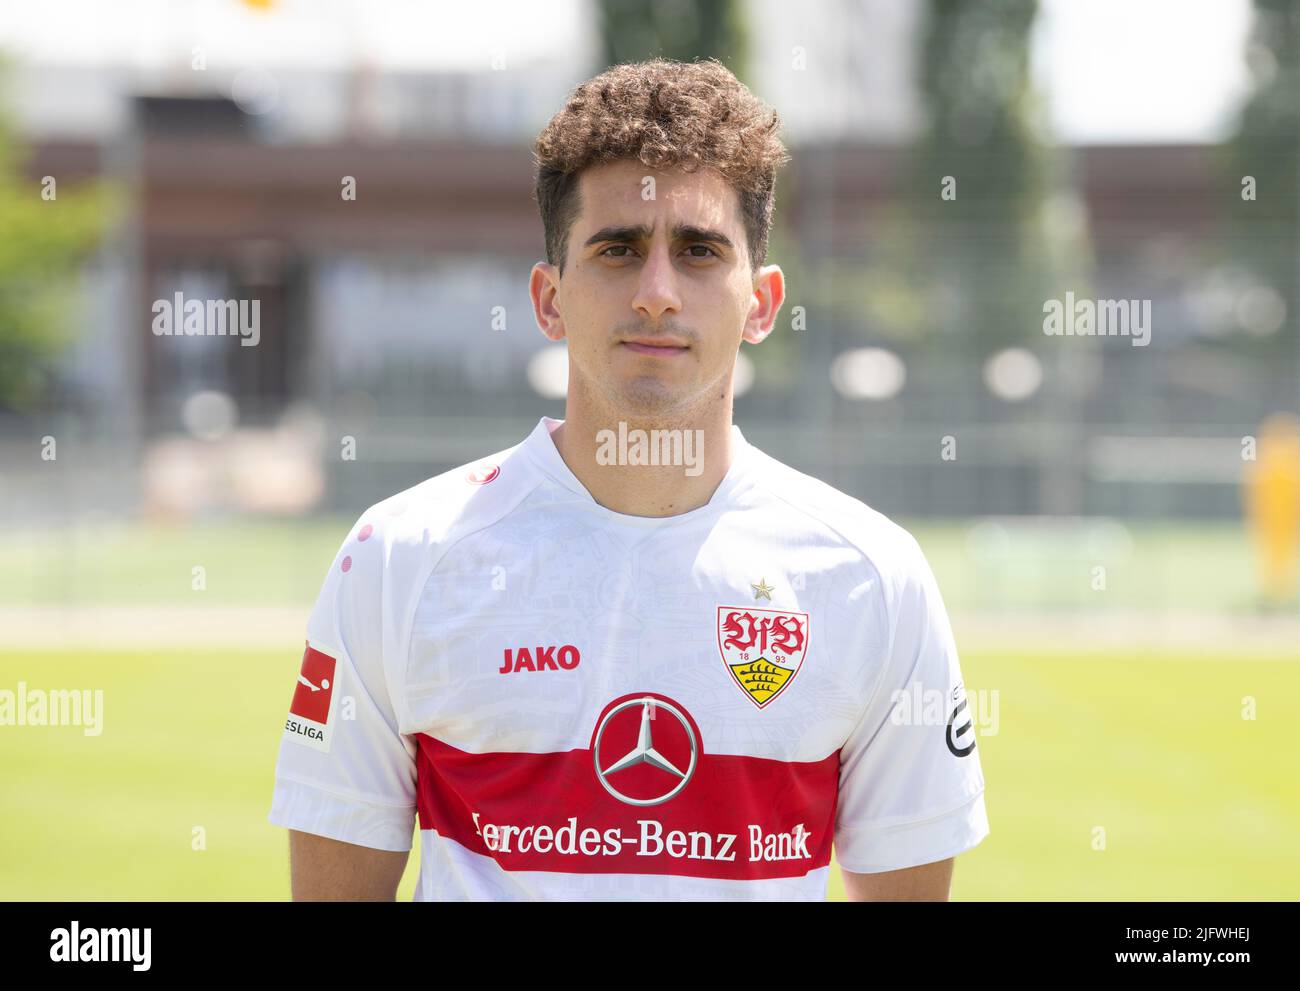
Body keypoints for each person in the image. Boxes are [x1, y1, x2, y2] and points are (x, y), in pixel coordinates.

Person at [268, 57, 988, 901]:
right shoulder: (398, 557)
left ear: (761, 301)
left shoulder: (873, 577)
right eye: (617, 250)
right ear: (548, 298)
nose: (655, 292)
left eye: (698, 251)